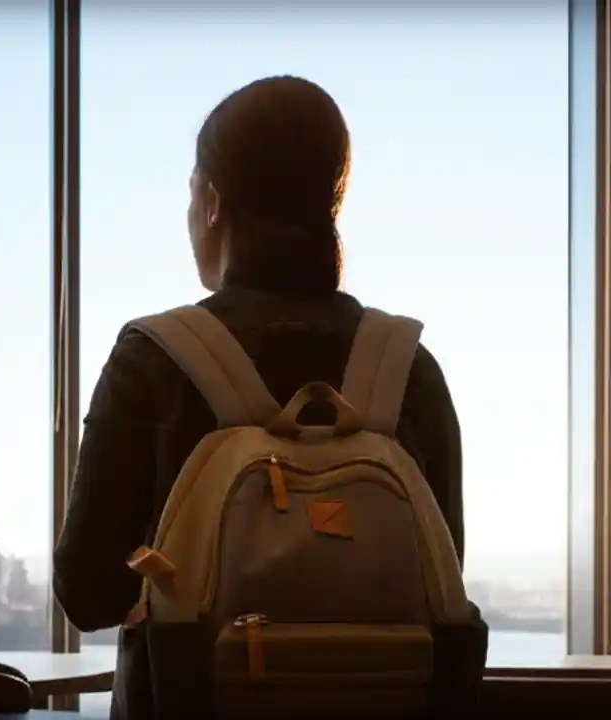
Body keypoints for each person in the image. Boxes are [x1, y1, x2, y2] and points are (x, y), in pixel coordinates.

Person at [52, 75, 464, 718]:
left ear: (213, 203)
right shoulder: (407, 367)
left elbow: (87, 591)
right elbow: (443, 577)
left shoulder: (153, 360)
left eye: (191, 191)